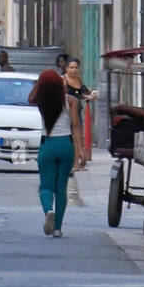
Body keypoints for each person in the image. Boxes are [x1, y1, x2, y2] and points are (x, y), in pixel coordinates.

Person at [28, 70, 80, 238]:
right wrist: (81, 152)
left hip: (47, 145)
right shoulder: (71, 101)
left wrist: (40, 83)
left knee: (46, 186)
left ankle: (48, 211)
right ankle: (57, 228)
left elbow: (30, 97)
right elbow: (76, 126)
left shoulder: (40, 101)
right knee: (61, 188)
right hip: (66, 144)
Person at [63, 57, 97, 169]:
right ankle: (74, 163)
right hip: (67, 113)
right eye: (71, 67)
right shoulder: (63, 80)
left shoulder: (79, 80)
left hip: (77, 111)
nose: (73, 70)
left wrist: (91, 95)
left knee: (78, 136)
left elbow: (83, 93)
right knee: (72, 137)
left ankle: (78, 162)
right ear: (66, 68)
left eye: (76, 68)